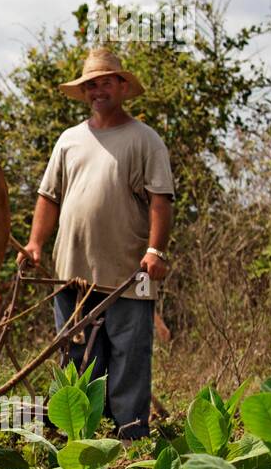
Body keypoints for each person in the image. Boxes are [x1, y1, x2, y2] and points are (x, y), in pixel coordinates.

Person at [17, 48, 174, 439]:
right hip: (73, 275)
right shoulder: (70, 140)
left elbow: (161, 199)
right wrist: (36, 244)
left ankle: (131, 436)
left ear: (122, 86)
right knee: (76, 357)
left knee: (129, 356)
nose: (97, 91)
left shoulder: (145, 139)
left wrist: (155, 251)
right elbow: (49, 196)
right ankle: (76, 436)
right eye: (91, 85)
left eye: (105, 83)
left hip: (128, 274)